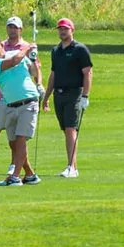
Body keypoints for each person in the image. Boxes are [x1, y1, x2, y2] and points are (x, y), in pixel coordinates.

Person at [0, 15, 42, 185]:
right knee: (13, 143)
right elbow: (13, 62)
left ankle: (15, 177)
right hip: (10, 105)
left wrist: (33, 58)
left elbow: (33, 71)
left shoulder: (16, 54)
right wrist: (27, 48)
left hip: (28, 101)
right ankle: (30, 175)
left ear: (1, 45)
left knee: (21, 139)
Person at [47, 17, 93, 178]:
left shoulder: (80, 49)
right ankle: (73, 166)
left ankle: (71, 167)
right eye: (60, 29)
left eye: (65, 29)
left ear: (72, 30)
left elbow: (87, 73)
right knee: (66, 130)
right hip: (58, 94)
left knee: (70, 129)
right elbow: (53, 74)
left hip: (74, 93)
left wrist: (85, 95)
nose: (62, 31)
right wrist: (46, 96)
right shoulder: (56, 51)